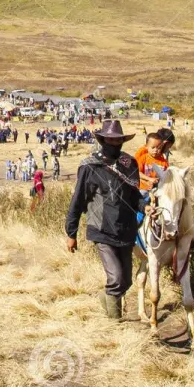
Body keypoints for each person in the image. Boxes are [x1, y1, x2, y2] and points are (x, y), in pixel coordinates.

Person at [64, 119, 143, 320]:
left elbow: (135, 196)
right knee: (115, 278)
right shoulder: (90, 166)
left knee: (126, 282)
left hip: (126, 229)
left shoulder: (129, 163)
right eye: (110, 140)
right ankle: (115, 323)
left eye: (118, 141)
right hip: (102, 229)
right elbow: (78, 199)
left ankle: (105, 298)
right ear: (102, 140)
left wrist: (146, 207)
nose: (114, 144)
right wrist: (71, 232)